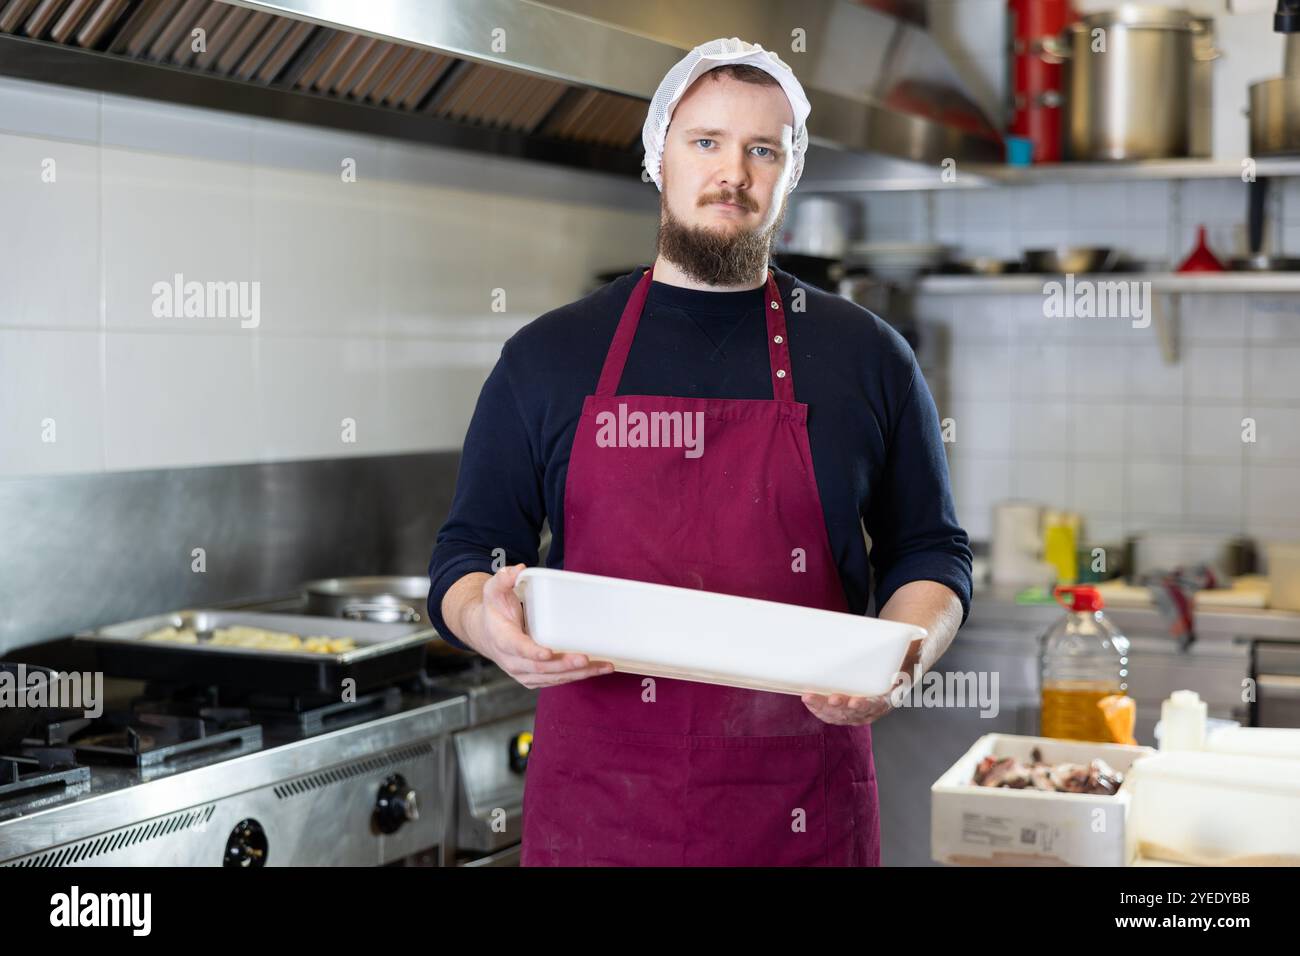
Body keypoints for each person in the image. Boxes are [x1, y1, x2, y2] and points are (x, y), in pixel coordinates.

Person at [428, 37, 972, 866]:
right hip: (602, 813)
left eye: (764, 149)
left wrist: (902, 656)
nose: (735, 173)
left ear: (791, 173)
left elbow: (930, 553)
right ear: (659, 156)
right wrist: (485, 622)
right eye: (707, 141)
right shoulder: (549, 356)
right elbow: (467, 554)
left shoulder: (867, 355)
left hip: (798, 810)